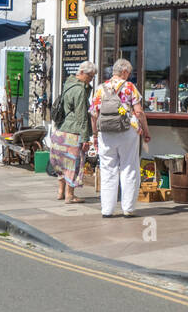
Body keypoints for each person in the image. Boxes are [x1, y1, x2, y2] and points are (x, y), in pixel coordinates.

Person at [89, 59, 151, 218]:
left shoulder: (100, 89)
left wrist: (95, 134)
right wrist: (146, 130)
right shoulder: (130, 87)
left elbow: (94, 115)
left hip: (106, 134)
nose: (129, 76)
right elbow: (139, 112)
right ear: (124, 72)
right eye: (128, 73)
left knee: (108, 170)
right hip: (127, 131)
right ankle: (128, 208)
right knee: (129, 168)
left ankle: (107, 210)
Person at [51, 61, 96, 203]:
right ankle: (70, 195)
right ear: (82, 73)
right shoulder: (80, 90)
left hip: (60, 131)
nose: (91, 79)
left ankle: (60, 192)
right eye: (90, 76)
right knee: (72, 164)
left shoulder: (68, 84)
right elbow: (81, 116)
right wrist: (85, 138)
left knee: (61, 164)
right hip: (73, 133)